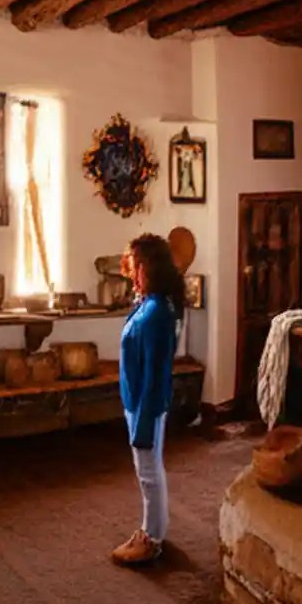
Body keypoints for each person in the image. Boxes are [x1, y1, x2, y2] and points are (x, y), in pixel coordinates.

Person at [112, 233, 185, 565]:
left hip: (147, 405)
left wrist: (142, 423)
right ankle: (153, 530)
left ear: (150, 268)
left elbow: (155, 374)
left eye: (136, 266)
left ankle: (152, 538)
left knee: (148, 472)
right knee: (149, 468)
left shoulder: (156, 313)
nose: (132, 273)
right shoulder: (150, 304)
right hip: (138, 401)